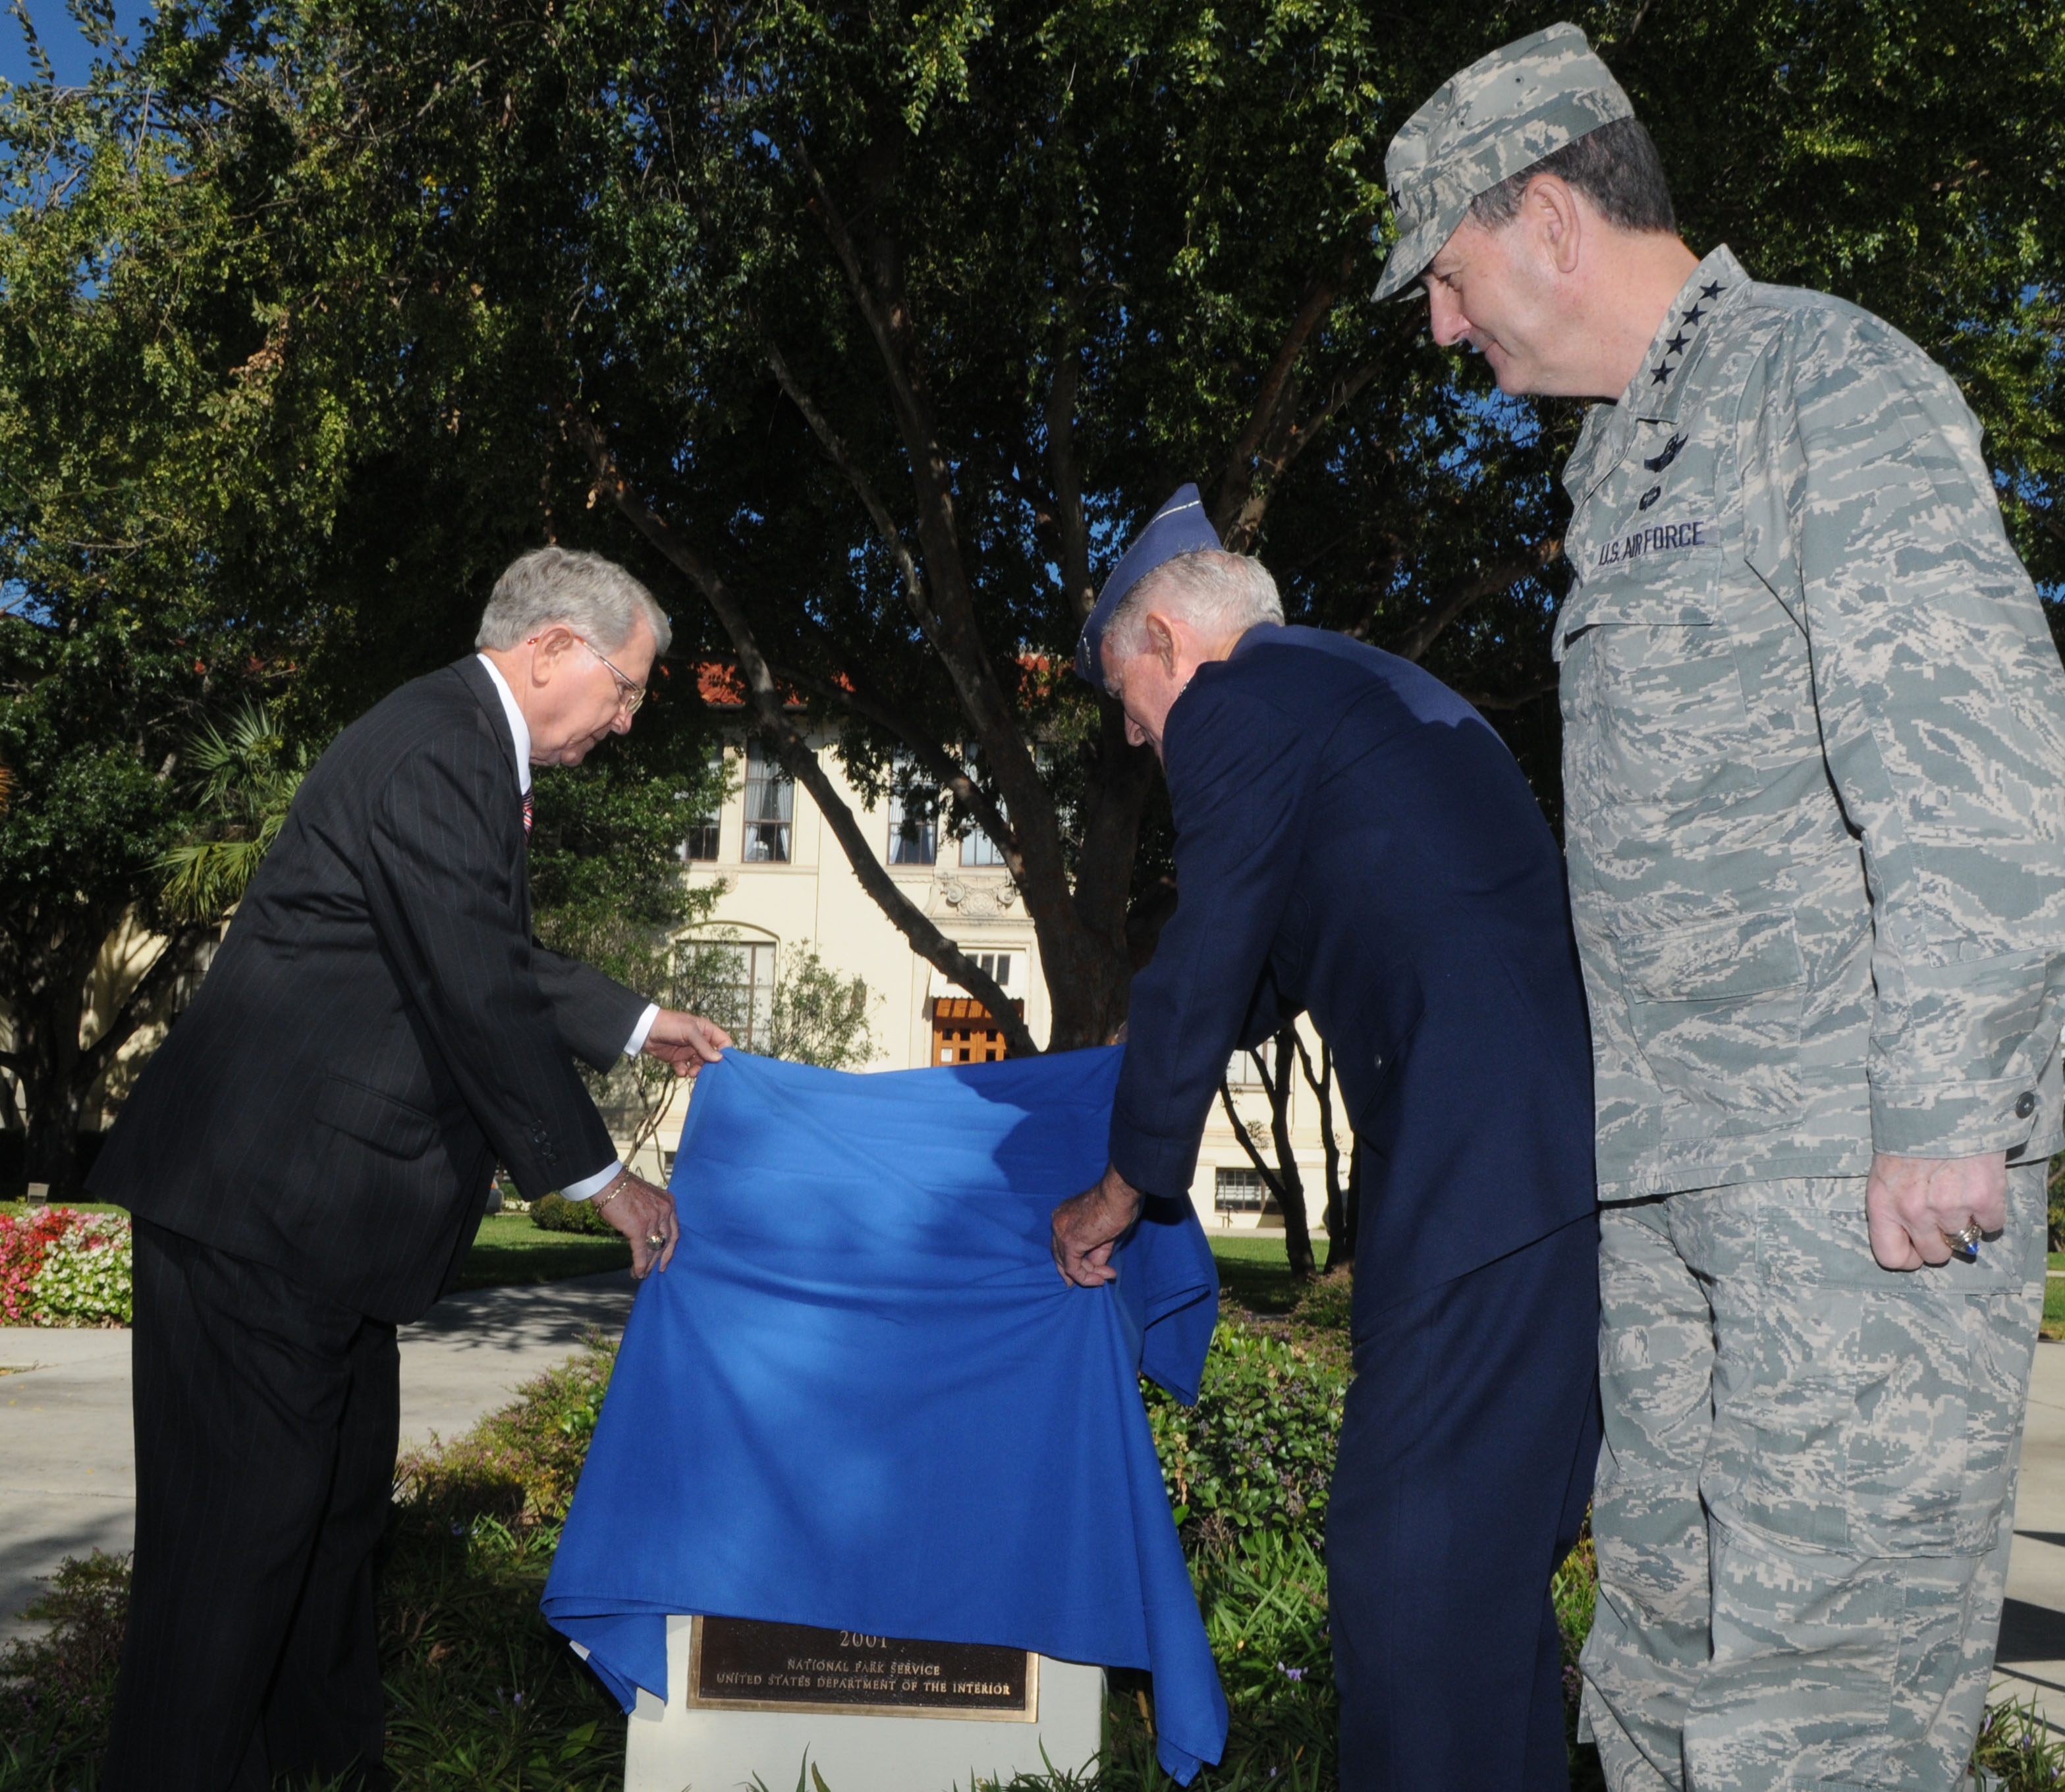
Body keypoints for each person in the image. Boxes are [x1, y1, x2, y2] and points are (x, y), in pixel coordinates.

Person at [1371, 23, 2065, 1791]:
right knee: (1667, 1686)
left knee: (1820, 1708)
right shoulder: (1627, 466)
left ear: (1545, 218)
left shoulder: (1820, 384)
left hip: (1853, 1184)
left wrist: (1941, 1108)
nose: (1445, 328)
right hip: (1677, 1181)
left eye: (1447, 279)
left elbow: (1973, 756)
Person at [89, 545, 732, 1792]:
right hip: (260, 1218)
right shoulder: (440, 743)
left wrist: (643, 1022)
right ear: (552, 648)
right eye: (629, 688)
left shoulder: (454, 748)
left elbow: (475, 948)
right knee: (229, 1567)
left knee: (325, 1541)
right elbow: (476, 987)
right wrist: (605, 1180)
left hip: (318, 1238)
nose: (628, 718)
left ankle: (327, 1774)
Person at [1049, 487, 1601, 1789]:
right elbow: (1262, 976)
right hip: (1545, 1171)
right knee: (1473, 1589)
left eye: (1133, 701)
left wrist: (1121, 1184)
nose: (1138, 738)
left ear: (1173, 641)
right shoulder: (1351, 701)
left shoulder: (1240, 700)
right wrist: (1109, 1078)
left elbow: (1206, 949)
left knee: (1403, 1565)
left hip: (1483, 1177)